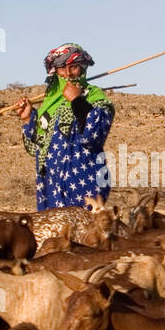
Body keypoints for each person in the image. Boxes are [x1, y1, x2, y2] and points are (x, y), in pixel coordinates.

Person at [14, 43, 115, 210]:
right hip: (50, 188)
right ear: (55, 70)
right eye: (61, 68)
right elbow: (36, 149)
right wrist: (28, 120)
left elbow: (95, 135)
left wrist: (77, 101)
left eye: (73, 67)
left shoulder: (94, 96)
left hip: (83, 184)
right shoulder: (49, 102)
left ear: (82, 68)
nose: (67, 73)